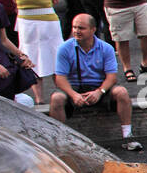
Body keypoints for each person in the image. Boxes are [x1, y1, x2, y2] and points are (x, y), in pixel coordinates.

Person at [48, 13, 137, 149]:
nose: (76, 31)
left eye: (81, 28)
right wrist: (73, 94)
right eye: (74, 27)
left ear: (93, 29)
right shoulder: (64, 48)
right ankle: (60, 141)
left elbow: (111, 77)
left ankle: (128, 136)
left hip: (99, 87)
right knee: (56, 98)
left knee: (122, 92)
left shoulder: (106, 48)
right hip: (74, 88)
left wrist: (99, 92)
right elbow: (60, 79)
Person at [9, 0, 60, 104]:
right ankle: (61, 92)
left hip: (26, 21)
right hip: (48, 21)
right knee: (54, 56)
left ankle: (39, 98)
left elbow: (13, 0)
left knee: (31, 57)